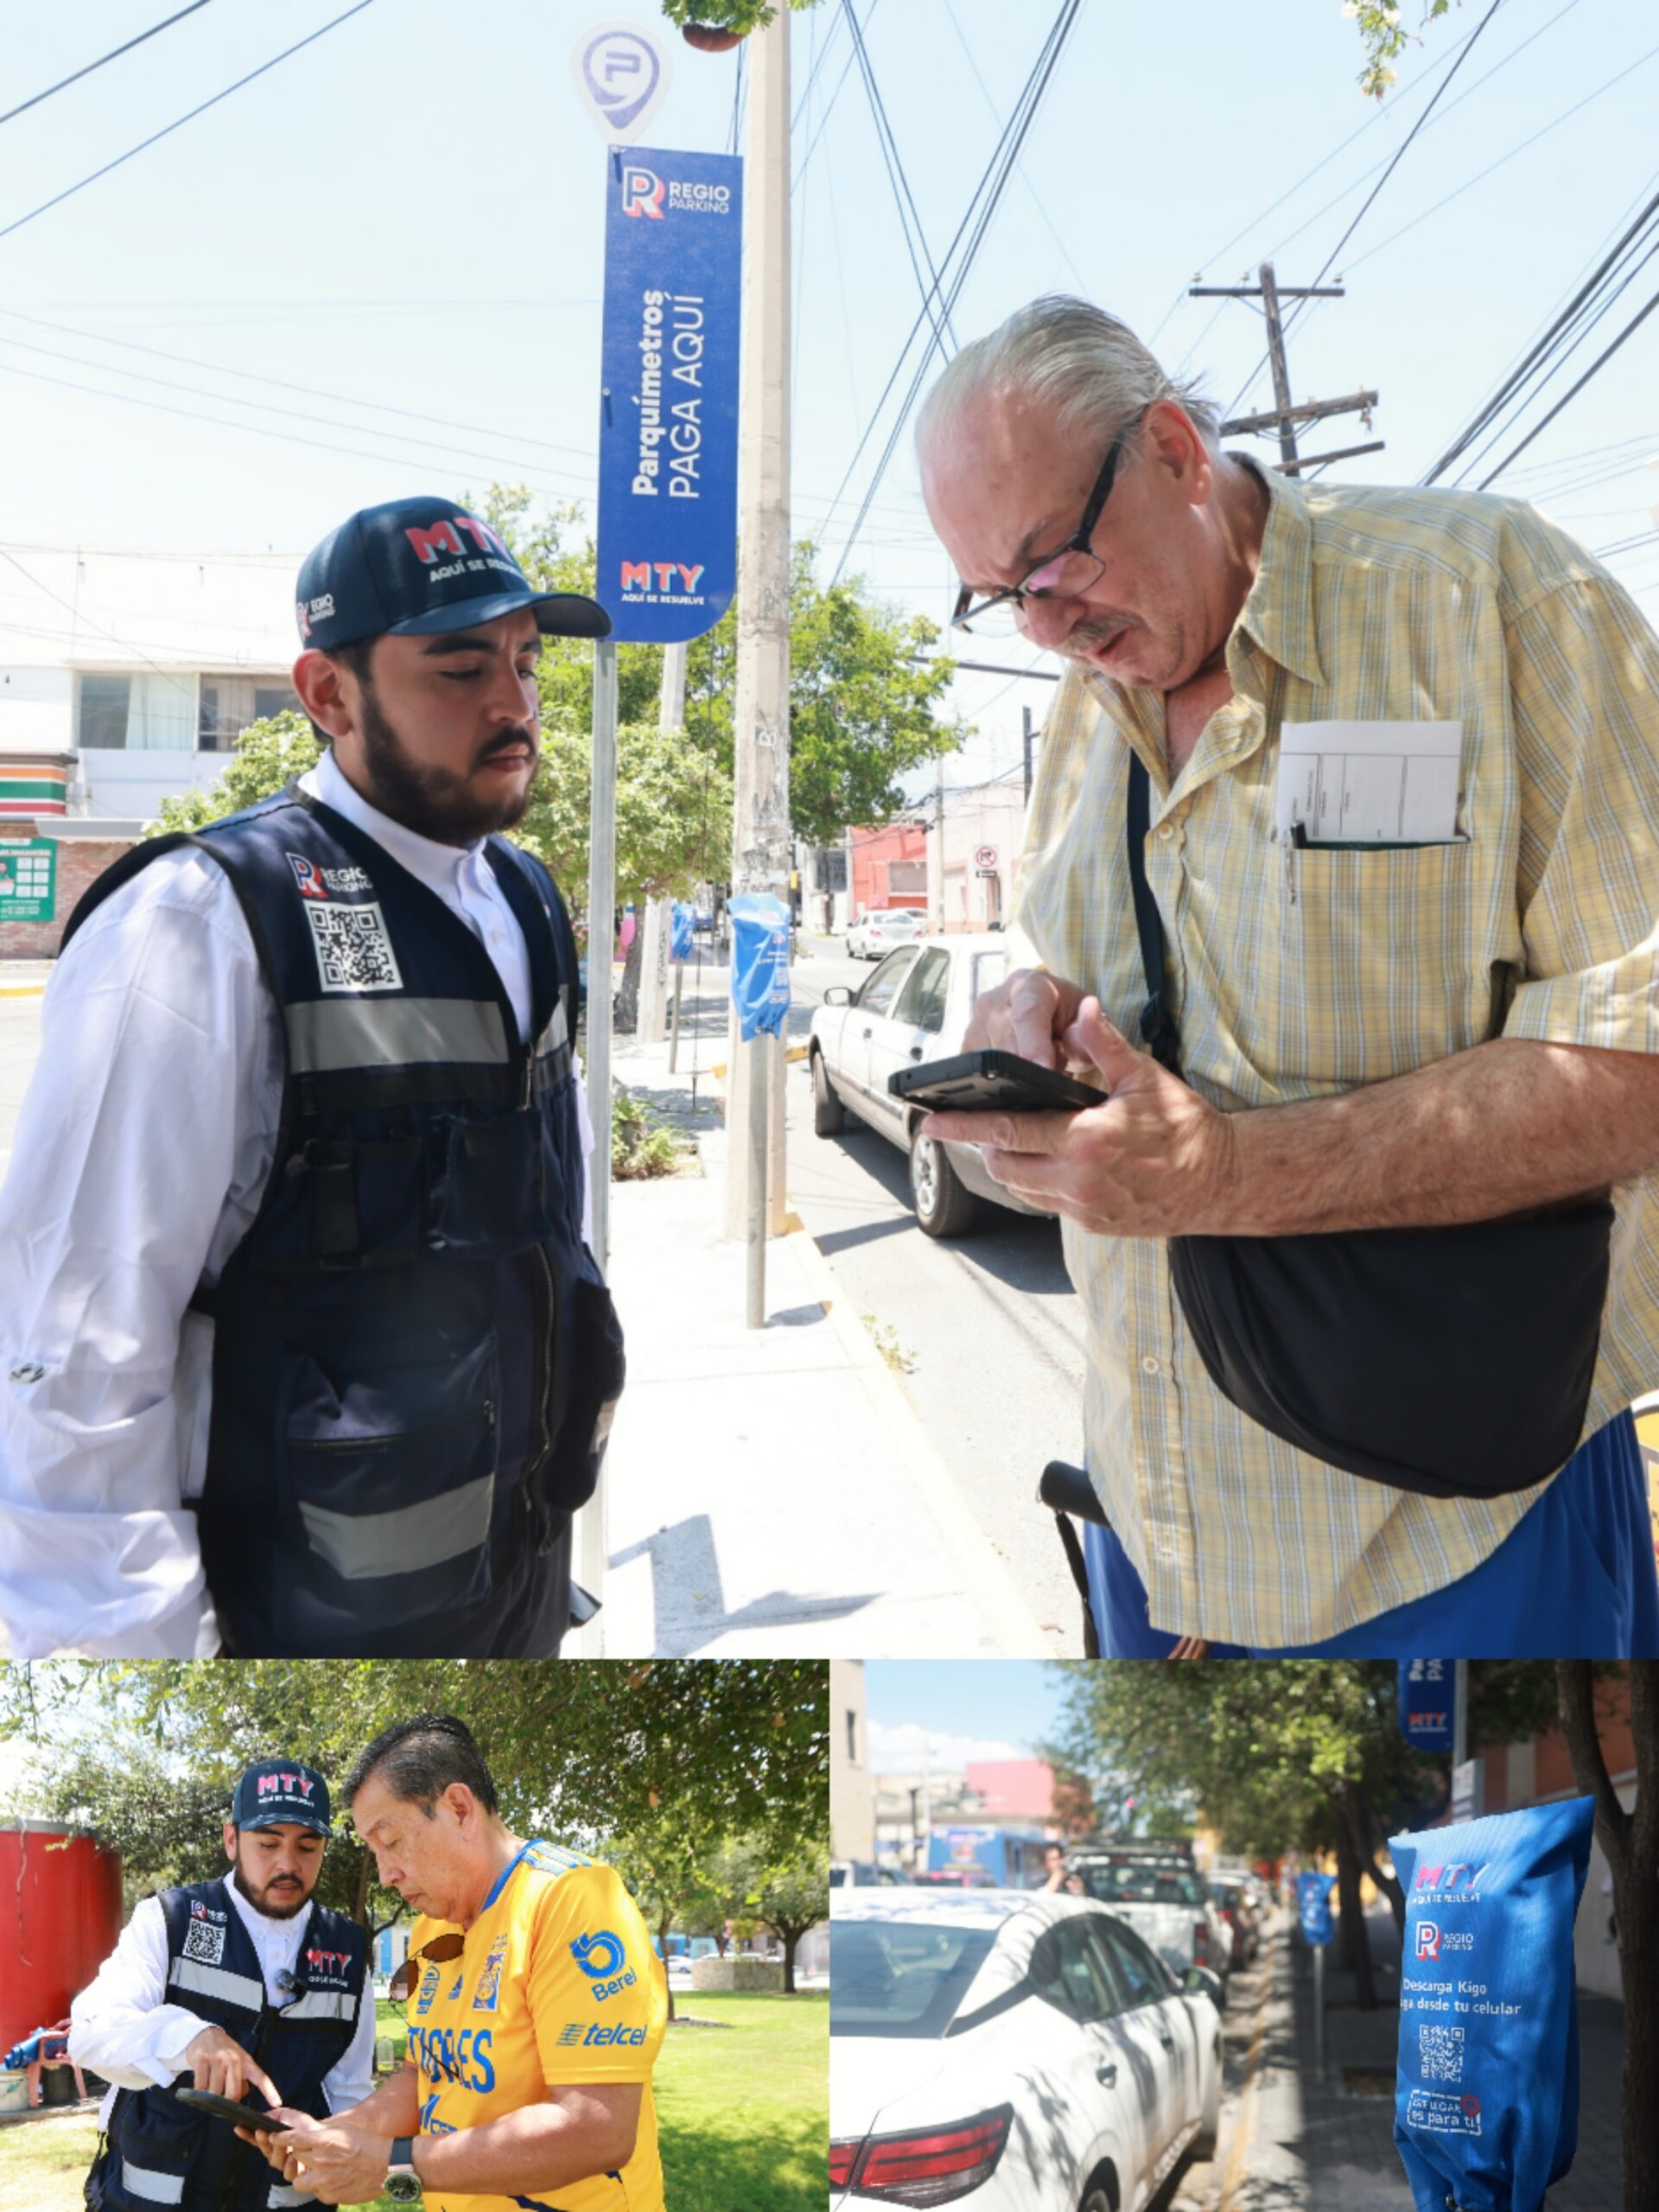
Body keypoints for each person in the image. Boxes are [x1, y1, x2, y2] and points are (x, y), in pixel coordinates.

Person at [915, 295, 1659, 1660]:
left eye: (1056, 563)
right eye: (999, 593)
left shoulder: (1490, 599)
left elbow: (1640, 1063)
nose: (1042, 628)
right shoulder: (1086, 717)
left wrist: (1225, 1178)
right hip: (1157, 1545)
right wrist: (1031, 1022)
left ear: (1179, 452)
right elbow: (1097, 979)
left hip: (1460, 1527)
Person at [0, 497, 626, 1659]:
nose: (515, 705)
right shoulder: (197, 925)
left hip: (512, 1597)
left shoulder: (525, 900)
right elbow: (76, 1346)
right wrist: (138, 1657)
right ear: (330, 695)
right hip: (295, 1622)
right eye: (458, 667)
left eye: (525, 662)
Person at [242, 1713, 666, 2211]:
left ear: (460, 1809)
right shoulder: (432, 1928)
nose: (384, 1874)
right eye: (373, 1850)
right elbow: (427, 2071)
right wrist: (339, 2131)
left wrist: (391, 2163)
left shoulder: (573, 1901)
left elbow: (597, 2128)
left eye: (391, 1840)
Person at [68, 1758, 373, 2212]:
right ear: (232, 1839)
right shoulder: (169, 1920)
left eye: (308, 1847)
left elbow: (350, 2092)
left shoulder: (347, 1951)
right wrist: (187, 2037)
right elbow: (90, 2035)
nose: (287, 1865)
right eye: (268, 1844)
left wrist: (337, 2147)